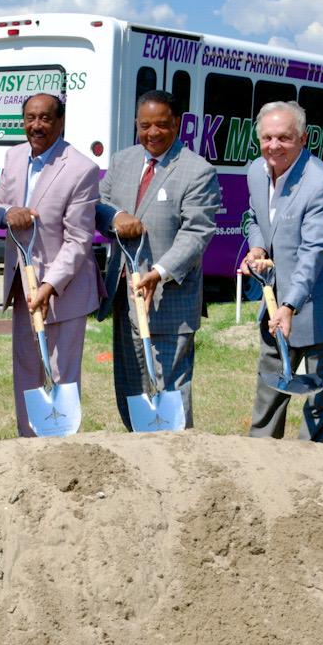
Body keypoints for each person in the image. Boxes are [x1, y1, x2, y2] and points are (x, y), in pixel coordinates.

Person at [94, 89, 220, 430]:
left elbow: (197, 234)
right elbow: (99, 207)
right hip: (125, 294)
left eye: (162, 125)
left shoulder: (197, 171)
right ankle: (139, 454)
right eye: (145, 124)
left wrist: (160, 272)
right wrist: (117, 215)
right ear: (136, 123)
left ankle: (176, 463)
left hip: (168, 297)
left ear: (176, 124)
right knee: (131, 385)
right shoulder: (122, 162)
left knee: (169, 390)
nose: (152, 133)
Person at [241, 100, 323, 441]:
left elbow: (313, 254)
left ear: (303, 139)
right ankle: (261, 457)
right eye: (267, 138)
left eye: (284, 137)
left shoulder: (322, 184)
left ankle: (309, 464)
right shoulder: (256, 171)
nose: (274, 146)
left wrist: (290, 305)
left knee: (317, 394)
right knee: (270, 387)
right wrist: (257, 247)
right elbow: (255, 218)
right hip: (277, 300)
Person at [0, 92, 105, 437]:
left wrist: (50, 285)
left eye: (45, 118)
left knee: (61, 375)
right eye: (30, 118)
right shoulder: (14, 156)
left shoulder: (81, 168)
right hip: (23, 286)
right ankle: (28, 444)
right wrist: (8, 213)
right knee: (26, 371)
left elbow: (79, 239)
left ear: (61, 122)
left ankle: (60, 452)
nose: (36, 126)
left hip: (62, 292)